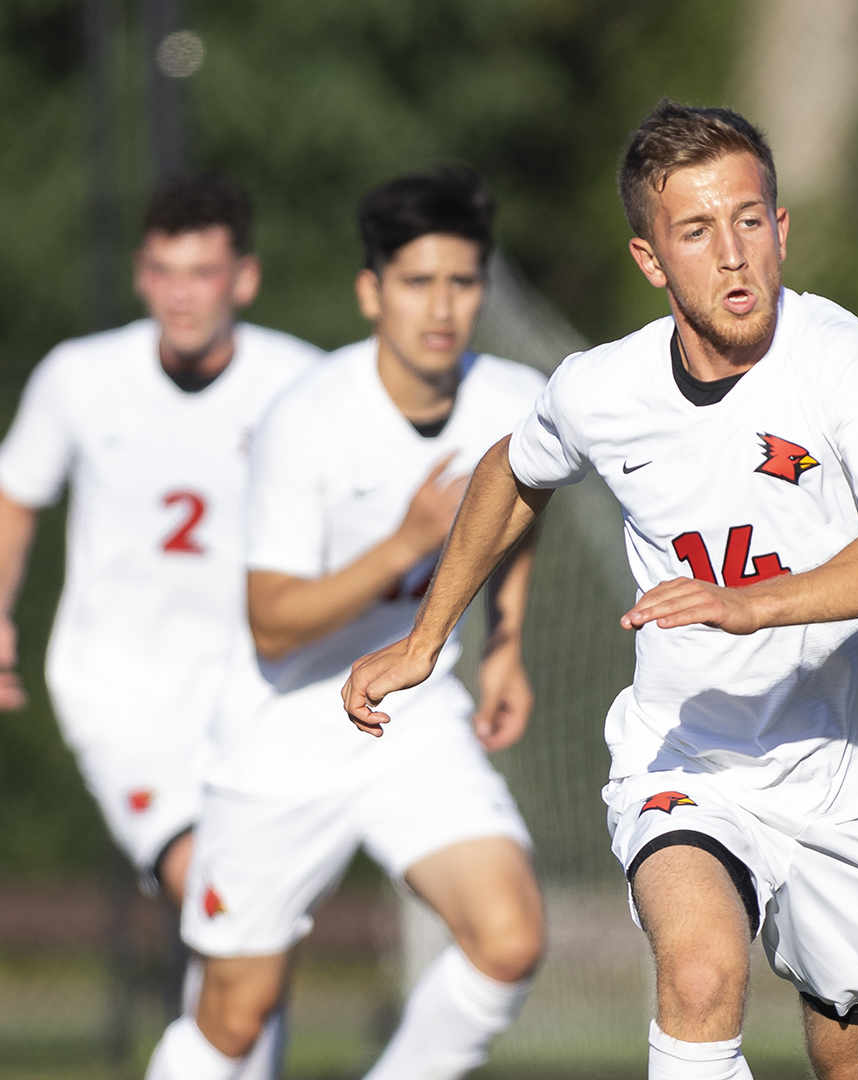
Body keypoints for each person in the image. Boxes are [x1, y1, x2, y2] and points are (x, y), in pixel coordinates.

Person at [343, 101, 858, 1080]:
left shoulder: (850, 361)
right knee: (701, 976)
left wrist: (751, 604)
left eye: (750, 220)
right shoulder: (602, 388)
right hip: (690, 757)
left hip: (853, 773)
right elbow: (511, 470)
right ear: (650, 259)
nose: (733, 255)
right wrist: (427, 639)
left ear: (782, 227)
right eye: (697, 231)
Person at [144, 166, 548, 1080]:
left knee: (509, 937)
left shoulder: (515, 398)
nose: (441, 308)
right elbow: (274, 624)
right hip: (284, 728)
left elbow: (522, 508)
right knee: (237, 1019)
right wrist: (406, 539)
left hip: (413, 719)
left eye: (461, 281)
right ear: (371, 292)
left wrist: (508, 648)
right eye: (416, 283)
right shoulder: (309, 418)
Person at [0, 174, 319, 1076]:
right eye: (163, 270)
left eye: (203, 272)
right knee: (216, 891)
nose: (182, 292)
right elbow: (15, 497)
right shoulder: (79, 377)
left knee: (257, 926)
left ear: (243, 280)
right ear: (142, 277)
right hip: (123, 694)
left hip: (258, 696)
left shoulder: (299, 381)